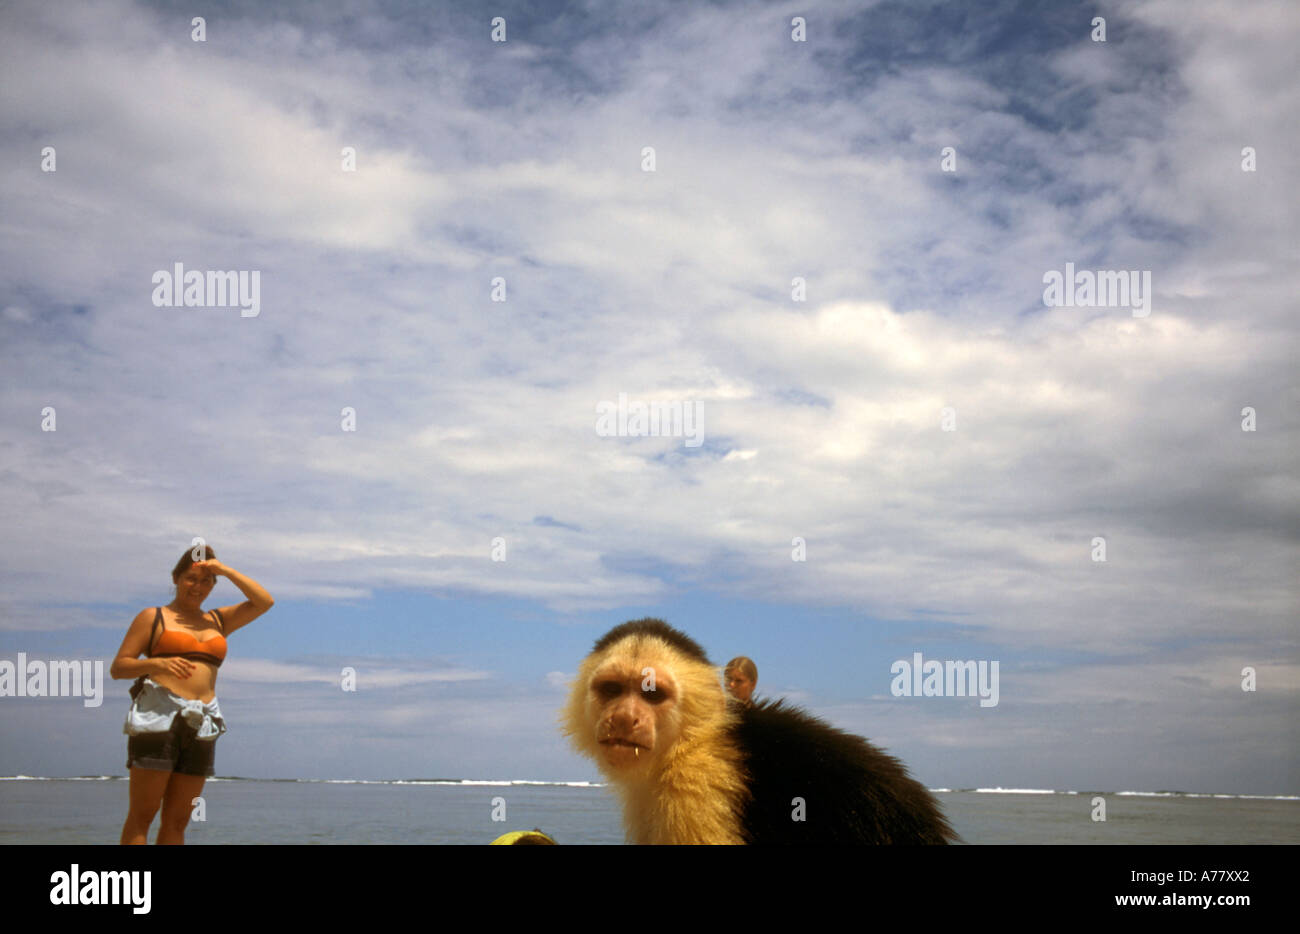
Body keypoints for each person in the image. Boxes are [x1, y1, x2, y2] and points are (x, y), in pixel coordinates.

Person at [110, 544, 273, 844]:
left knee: (178, 820)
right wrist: (156, 663)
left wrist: (224, 570)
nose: (198, 587)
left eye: (206, 581)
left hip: (202, 721)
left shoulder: (219, 620)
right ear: (176, 578)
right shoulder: (153, 617)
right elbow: (119, 668)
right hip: (158, 718)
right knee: (142, 815)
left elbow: (264, 602)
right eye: (190, 578)